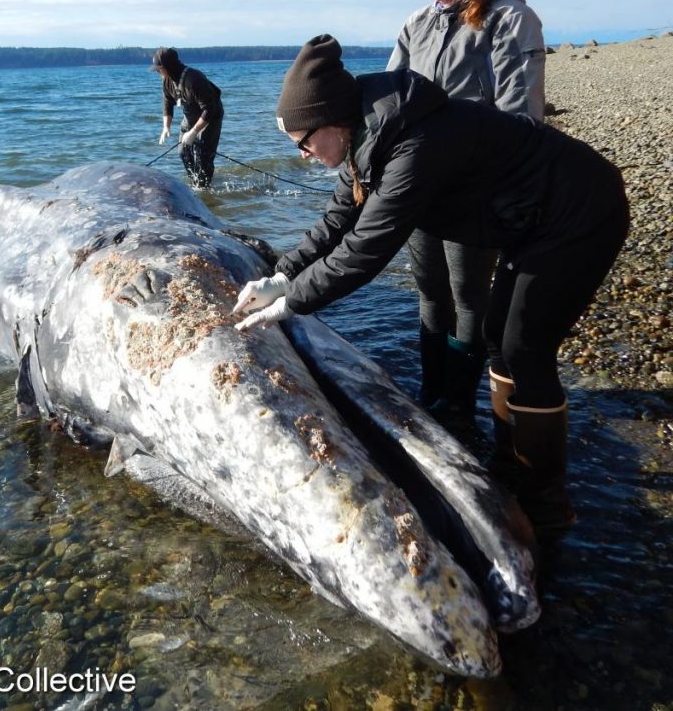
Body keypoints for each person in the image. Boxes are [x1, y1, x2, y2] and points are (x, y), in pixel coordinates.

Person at [232, 35, 628, 535]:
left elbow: (366, 250)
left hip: (580, 212)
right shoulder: (368, 136)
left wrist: (292, 304)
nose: (305, 156)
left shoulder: (415, 145)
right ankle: (510, 462)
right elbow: (339, 219)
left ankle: (545, 501)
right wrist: (281, 274)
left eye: (304, 144)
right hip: (531, 221)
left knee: (525, 347)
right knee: (497, 337)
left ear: (332, 123)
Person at [387, 0, 546, 422]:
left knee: (469, 296)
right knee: (430, 291)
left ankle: (459, 402)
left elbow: (522, 117)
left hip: (477, 190)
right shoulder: (418, 24)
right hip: (423, 190)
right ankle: (431, 391)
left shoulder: (510, 19)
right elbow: (391, 101)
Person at [152, 47, 224, 188]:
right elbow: (167, 104)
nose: (156, 72)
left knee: (203, 157)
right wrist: (166, 127)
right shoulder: (167, 81)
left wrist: (193, 132)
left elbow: (209, 110)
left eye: (158, 69)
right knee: (183, 152)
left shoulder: (194, 79)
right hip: (189, 117)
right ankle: (195, 182)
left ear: (168, 67)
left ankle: (204, 187)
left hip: (210, 118)